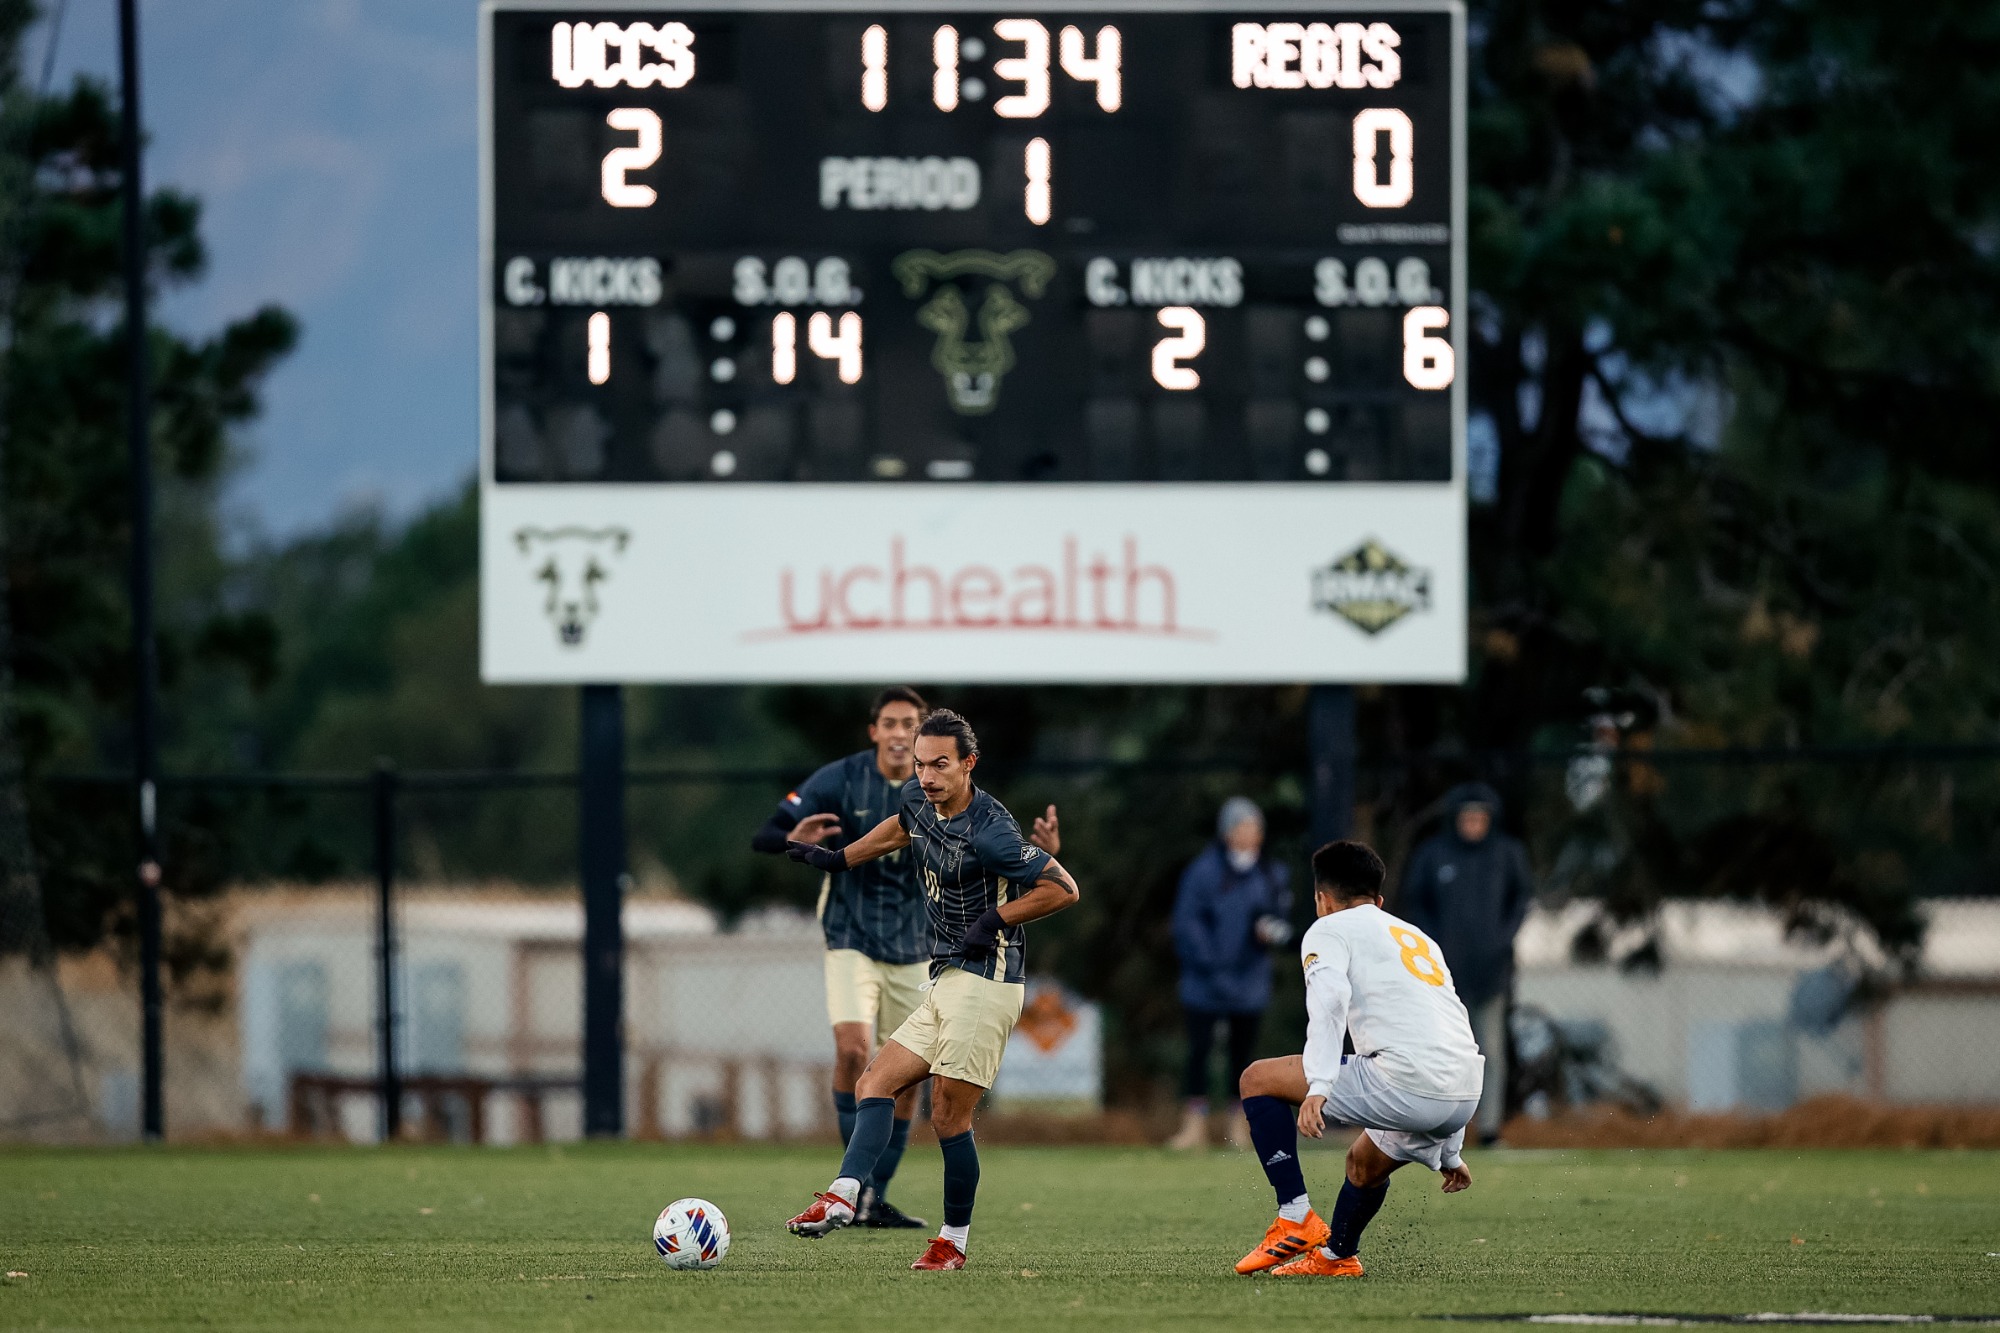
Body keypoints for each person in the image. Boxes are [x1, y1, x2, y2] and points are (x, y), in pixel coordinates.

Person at [781, 709, 1081, 1270]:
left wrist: (995, 921)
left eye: (940, 765)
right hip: (944, 978)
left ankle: (952, 1242)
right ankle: (844, 1196)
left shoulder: (992, 829)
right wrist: (837, 859)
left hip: (988, 981)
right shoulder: (920, 800)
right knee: (875, 1081)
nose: (926, 775)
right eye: (920, 764)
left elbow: (1062, 889)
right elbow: (900, 826)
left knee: (948, 1116)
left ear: (969, 763)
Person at [1231, 840, 1484, 1278]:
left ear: (1321, 899)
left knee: (1257, 1079)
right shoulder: (1416, 936)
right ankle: (1337, 1257)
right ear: (1379, 901)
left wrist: (1319, 1087)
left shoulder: (1328, 928)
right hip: (1463, 1092)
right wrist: (1450, 1147)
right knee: (1362, 1165)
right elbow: (1448, 1029)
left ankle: (1294, 1218)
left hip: (1407, 1083)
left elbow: (1329, 1002)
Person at [1397, 782, 1534, 1145]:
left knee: (1490, 1050)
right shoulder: (1433, 855)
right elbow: (1415, 902)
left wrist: (1502, 941)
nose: (1473, 824)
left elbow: (1521, 900)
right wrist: (1431, 946)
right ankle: (1438, 1128)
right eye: (1467, 817)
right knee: (1439, 1052)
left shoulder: (1507, 854)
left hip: (1491, 972)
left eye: (1480, 818)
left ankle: (1489, 1129)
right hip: (1440, 976)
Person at [1168, 796, 1292, 1150]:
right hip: (1204, 981)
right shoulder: (1202, 872)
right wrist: (1212, 966)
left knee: (1244, 1057)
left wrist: (1271, 931)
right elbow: (1188, 923)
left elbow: (1278, 917)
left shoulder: (1272, 873)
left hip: (1250, 980)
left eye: (1255, 827)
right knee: (1199, 1052)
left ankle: (1241, 1127)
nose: (1250, 834)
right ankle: (1194, 1126)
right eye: (1242, 827)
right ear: (1226, 832)